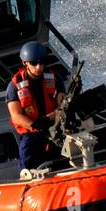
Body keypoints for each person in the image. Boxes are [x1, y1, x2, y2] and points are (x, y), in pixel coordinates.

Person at [6, 41, 64, 171]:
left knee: (61, 163)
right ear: (25, 63)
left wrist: (49, 119)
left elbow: (62, 105)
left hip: (54, 130)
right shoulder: (14, 86)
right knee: (28, 166)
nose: (38, 67)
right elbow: (16, 116)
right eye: (34, 63)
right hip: (31, 136)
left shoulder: (55, 78)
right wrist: (36, 126)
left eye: (42, 63)